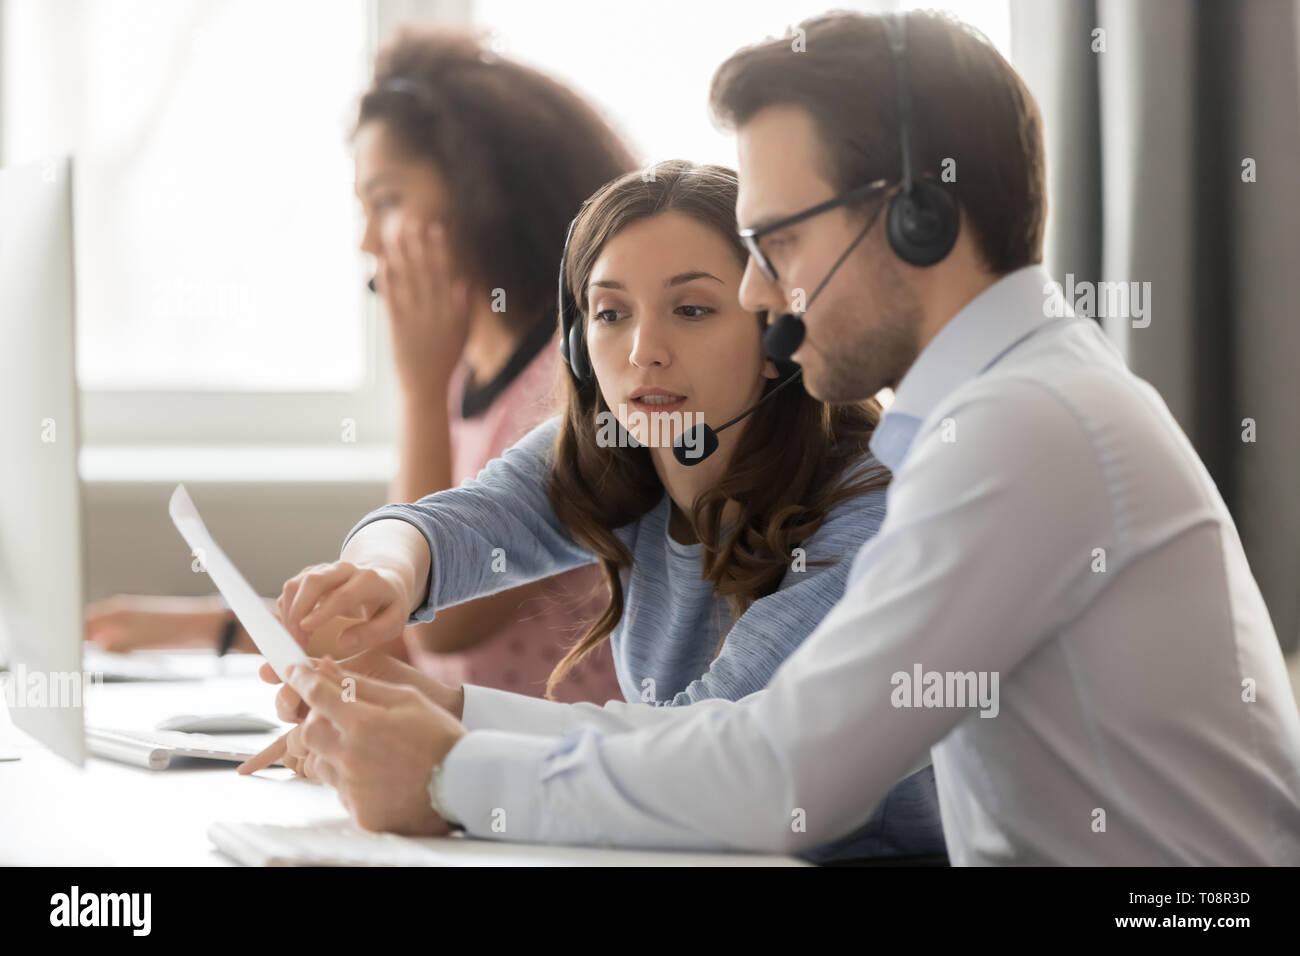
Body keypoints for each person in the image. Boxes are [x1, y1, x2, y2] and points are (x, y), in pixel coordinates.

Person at [254, 9, 1300, 865]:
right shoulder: (1009, 408)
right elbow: (770, 752)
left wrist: (445, 770)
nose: (762, 291)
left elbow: (783, 774)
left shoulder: (1020, 433)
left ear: (914, 221)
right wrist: (439, 721)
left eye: (779, 241)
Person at [242, 159, 948, 862]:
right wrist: (384, 575)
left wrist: (445, 733)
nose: (644, 352)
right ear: (580, 347)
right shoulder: (614, 449)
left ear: (777, 340)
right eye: (610, 314)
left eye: (693, 310)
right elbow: (453, 522)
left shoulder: (868, 510)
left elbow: (706, 751)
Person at [84, 28, 634, 703]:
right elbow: (397, 612)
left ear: (482, 194)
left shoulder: (571, 378)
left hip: (549, 775)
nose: (369, 241)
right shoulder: (469, 376)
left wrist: (419, 391)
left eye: (389, 201)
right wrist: (209, 628)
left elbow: (443, 626)